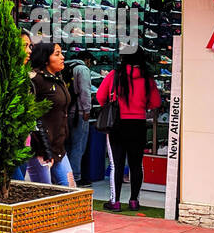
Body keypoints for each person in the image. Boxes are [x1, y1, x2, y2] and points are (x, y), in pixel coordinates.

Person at [96, 49, 161, 211]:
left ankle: (115, 202)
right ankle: (134, 201)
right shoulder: (147, 78)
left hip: (117, 124)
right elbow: (155, 102)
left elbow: (100, 96)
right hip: (138, 124)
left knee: (116, 164)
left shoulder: (115, 75)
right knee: (136, 164)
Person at [27, 41, 75, 187]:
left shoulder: (58, 78)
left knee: (70, 191)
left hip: (58, 148)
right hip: (40, 151)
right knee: (43, 196)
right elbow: (31, 118)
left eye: (61, 53)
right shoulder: (35, 80)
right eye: (57, 54)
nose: (62, 57)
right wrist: (43, 148)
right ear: (45, 59)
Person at [64, 52, 92, 183]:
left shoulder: (66, 67)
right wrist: (87, 109)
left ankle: (65, 175)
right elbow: (85, 91)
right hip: (79, 112)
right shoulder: (82, 69)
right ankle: (76, 176)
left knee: (67, 144)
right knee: (78, 145)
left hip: (66, 111)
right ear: (86, 60)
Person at [11, 30, 34, 182]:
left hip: (25, 140)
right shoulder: (7, 74)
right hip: (9, 143)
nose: (29, 50)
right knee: (18, 183)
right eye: (24, 45)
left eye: (30, 46)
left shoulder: (24, 73)